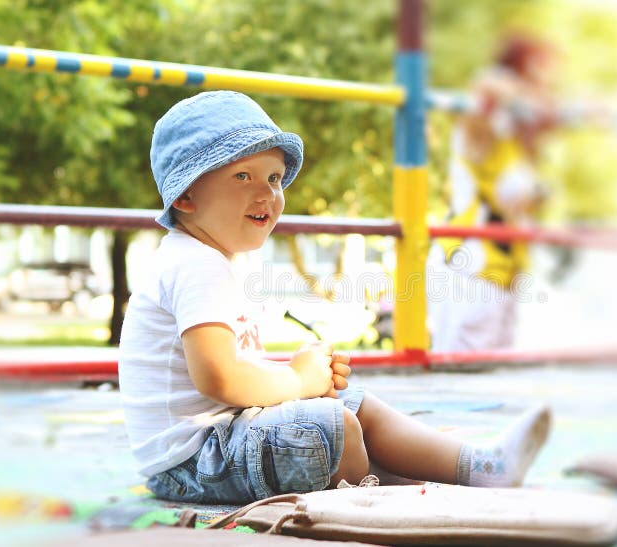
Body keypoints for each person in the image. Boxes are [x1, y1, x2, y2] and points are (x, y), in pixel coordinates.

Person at [118, 90, 551, 505]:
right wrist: (298, 382)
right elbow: (220, 380)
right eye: (242, 176)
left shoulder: (217, 261)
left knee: (351, 405)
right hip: (192, 462)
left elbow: (234, 376)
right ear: (186, 196)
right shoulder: (195, 265)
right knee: (331, 424)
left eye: (273, 177)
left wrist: (305, 376)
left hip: (223, 439)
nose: (267, 193)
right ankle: (382, 490)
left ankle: (477, 466)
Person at [428, 34, 556, 352]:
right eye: (539, 76)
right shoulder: (482, 123)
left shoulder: (519, 146)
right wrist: (528, 98)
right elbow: (488, 84)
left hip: (504, 275)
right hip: (469, 268)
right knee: (459, 379)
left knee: (496, 384)